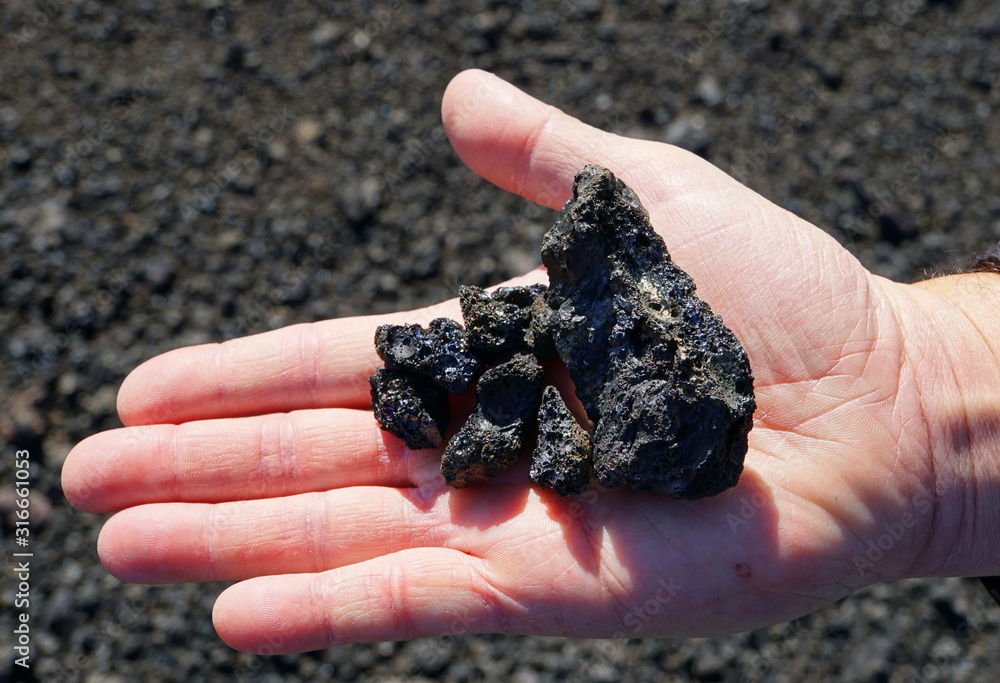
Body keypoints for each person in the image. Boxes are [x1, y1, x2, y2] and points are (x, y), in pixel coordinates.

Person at [62, 69, 1000, 654]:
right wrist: (933, 388)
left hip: (672, 434)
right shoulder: (575, 325)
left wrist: (918, 384)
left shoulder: (613, 317)